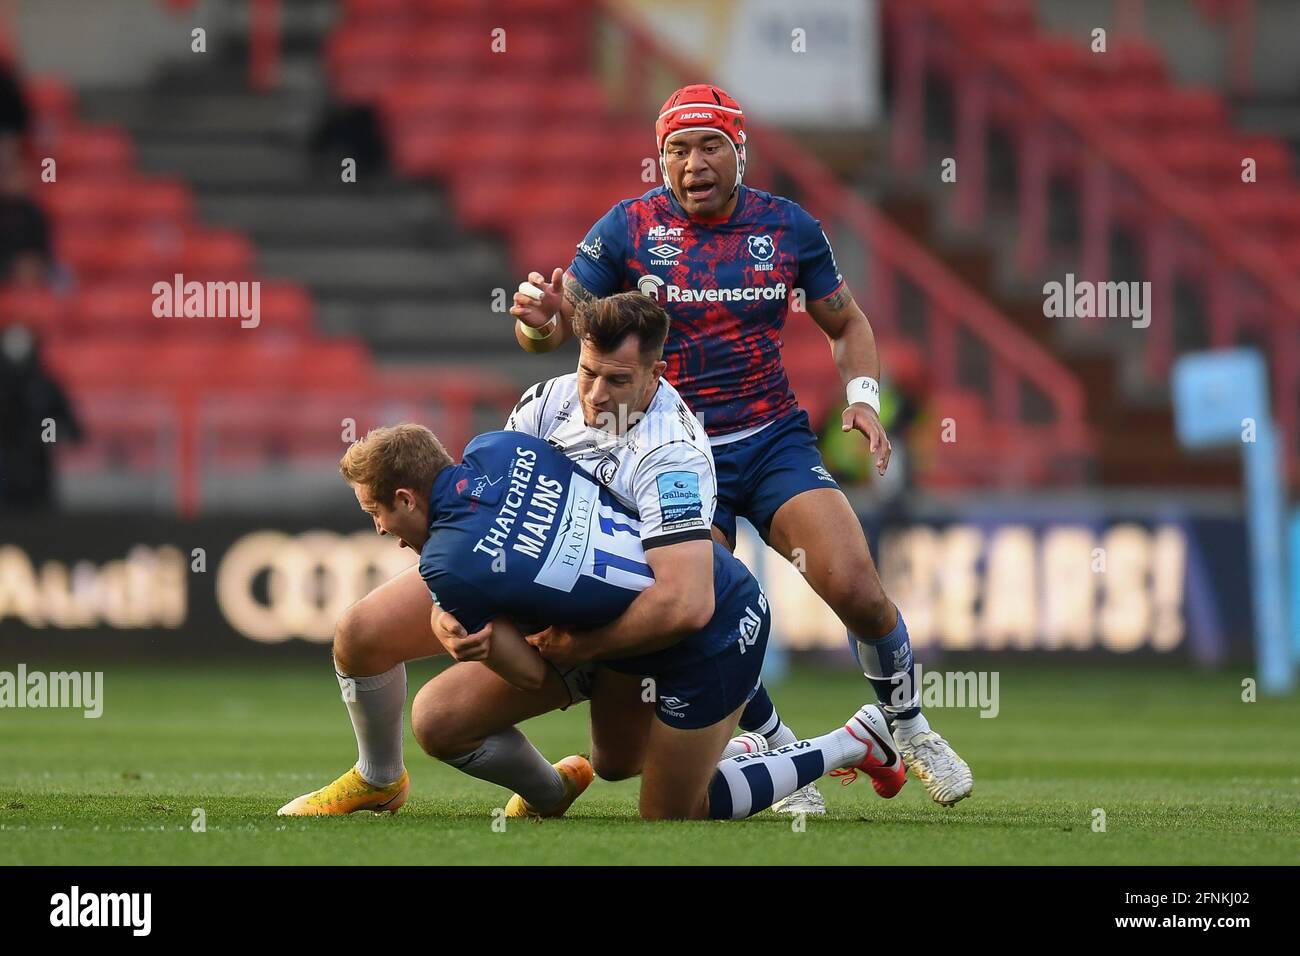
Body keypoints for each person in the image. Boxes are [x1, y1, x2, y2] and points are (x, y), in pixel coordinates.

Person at [506, 83, 971, 805]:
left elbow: (846, 325)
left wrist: (863, 402)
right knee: (708, 618)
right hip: (674, 456)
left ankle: (907, 724)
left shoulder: (787, 229)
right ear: (659, 159)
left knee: (855, 588)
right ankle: (781, 746)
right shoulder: (626, 229)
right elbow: (565, 325)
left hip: (772, 440)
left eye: (709, 145)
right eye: (677, 149)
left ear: (739, 151)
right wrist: (537, 321)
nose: (693, 163)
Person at [282, 422, 904, 820]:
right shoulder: (499, 446)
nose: (381, 532)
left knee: (676, 814)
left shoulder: (450, 565)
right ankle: (690, 752)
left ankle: (849, 740)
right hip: (619, 633)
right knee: (589, 757)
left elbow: (526, 675)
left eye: (376, 514)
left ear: (407, 498)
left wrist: (482, 646)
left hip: (707, 621)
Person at [434, 290, 824, 813]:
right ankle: (744, 742)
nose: (595, 394)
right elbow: (497, 520)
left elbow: (684, 603)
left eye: (617, 380)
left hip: (662, 624)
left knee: (668, 813)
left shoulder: (672, 455)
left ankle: (845, 743)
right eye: (588, 371)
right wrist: (450, 608)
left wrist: (584, 646)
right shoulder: (548, 402)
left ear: (655, 373)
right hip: (587, 612)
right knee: (614, 762)